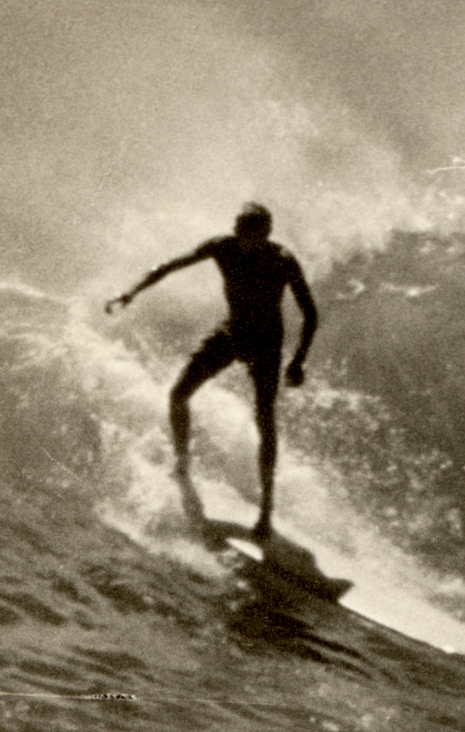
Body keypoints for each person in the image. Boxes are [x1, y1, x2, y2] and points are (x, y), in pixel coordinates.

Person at [106, 202, 317, 538]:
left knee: (265, 419)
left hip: (266, 347)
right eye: (238, 232)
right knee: (178, 394)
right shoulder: (224, 247)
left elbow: (310, 313)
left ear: (265, 235)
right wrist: (130, 292)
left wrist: (298, 360)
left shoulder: (282, 261)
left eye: (250, 235)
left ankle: (265, 513)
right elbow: (171, 266)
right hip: (231, 334)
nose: (242, 240)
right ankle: (182, 462)